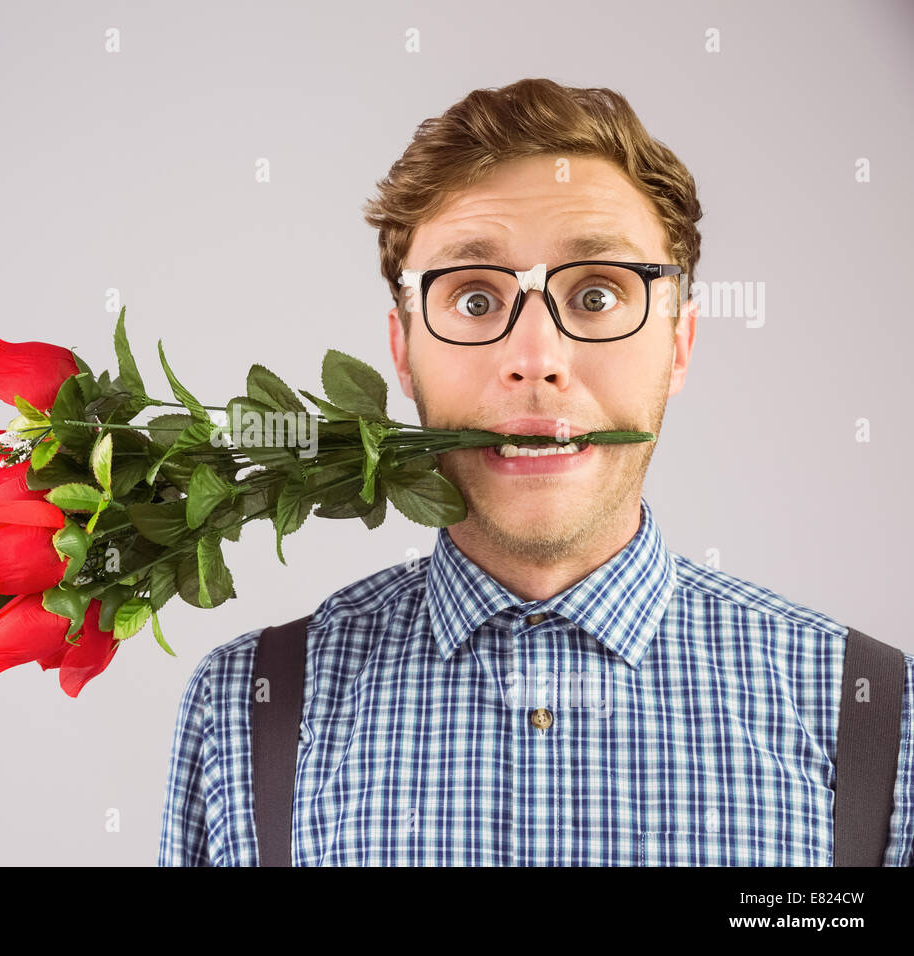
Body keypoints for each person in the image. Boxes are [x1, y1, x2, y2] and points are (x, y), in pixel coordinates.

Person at [157, 77, 914, 866]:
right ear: (403, 351)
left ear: (679, 344)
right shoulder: (248, 707)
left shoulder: (876, 715)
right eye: (476, 300)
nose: (536, 360)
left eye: (595, 294)